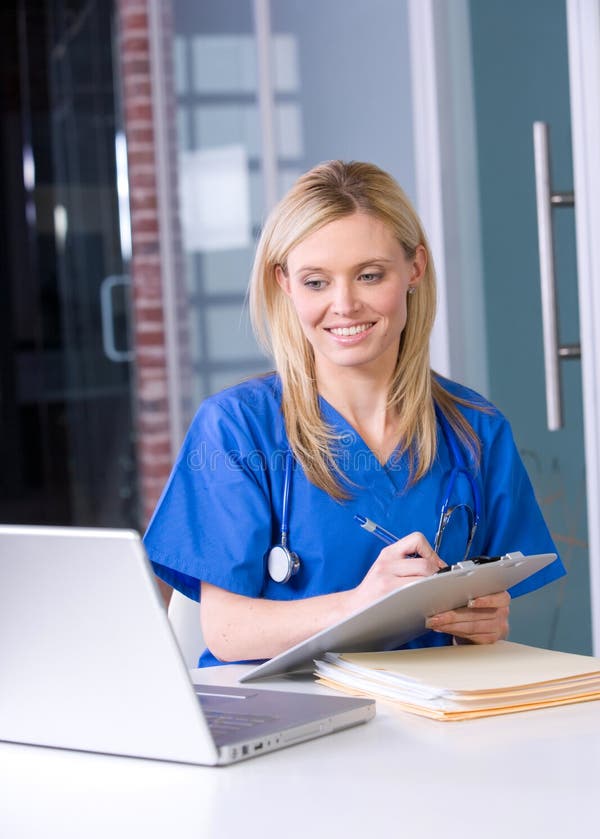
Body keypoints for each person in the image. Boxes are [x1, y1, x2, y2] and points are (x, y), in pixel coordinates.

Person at [143, 159, 565, 667]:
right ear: (285, 284)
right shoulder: (236, 429)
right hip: (287, 719)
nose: (344, 305)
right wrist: (358, 605)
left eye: (369, 275)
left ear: (414, 268)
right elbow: (229, 632)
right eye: (316, 282)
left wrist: (482, 618)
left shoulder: (476, 430)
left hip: (431, 715)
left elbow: (488, 596)